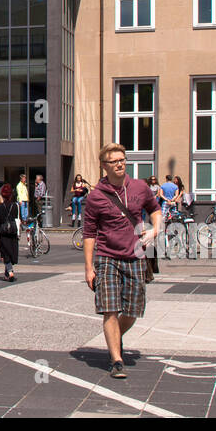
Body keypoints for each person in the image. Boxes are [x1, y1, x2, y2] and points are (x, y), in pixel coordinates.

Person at [82, 144, 161, 379]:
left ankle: (116, 337)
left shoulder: (139, 187)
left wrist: (156, 230)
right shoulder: (96, 196)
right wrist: (88, 267)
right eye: (114, 161)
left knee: (133, 310)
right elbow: (89, 233)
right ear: (104, 166)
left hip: (135, 256)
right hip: (107, 258)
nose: (120, 164)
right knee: (110, 309)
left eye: (122, 159)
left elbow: (155, 209)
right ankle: (116, 360)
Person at [0, 183, 20, 282]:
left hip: (3, 232)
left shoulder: (0, 207)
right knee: (11, 250)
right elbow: (15, 218)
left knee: (5, 252)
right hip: (12, 231)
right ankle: (7, 273)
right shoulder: (15, 206)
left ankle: (10, 272)